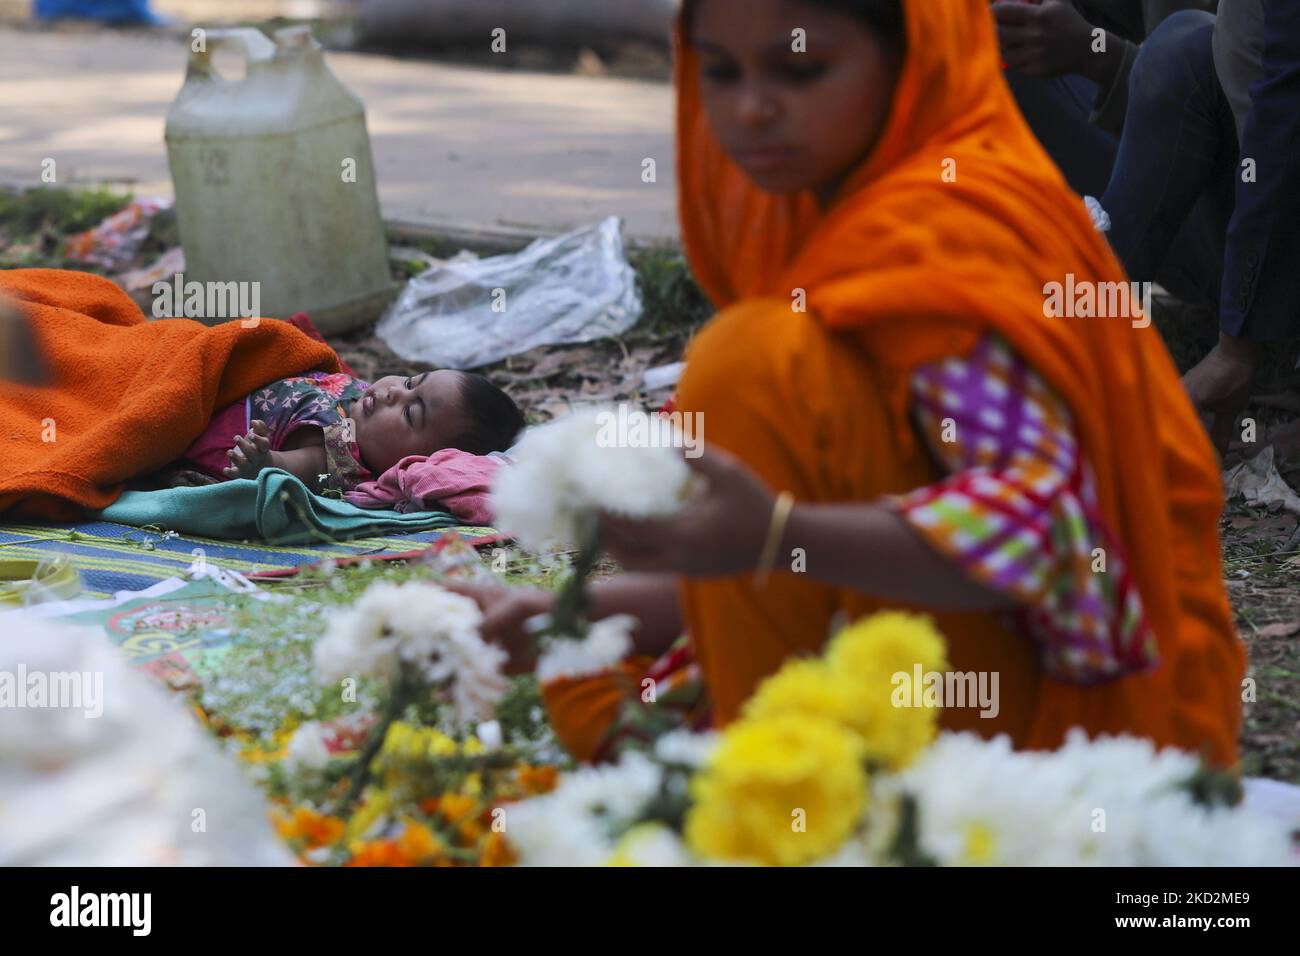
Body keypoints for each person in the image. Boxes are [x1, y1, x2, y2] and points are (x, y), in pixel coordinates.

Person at [457, 0, 1244, 768]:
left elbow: (1052, 537)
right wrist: (570, 615)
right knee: (586, 679)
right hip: (933, 662)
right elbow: (799, 565)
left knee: (745, 363)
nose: (750, 109)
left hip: (1086, 735)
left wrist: (778, 534)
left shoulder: (948, 234)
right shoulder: (843, 228)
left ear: (907, 61)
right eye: (720, 73)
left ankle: (782, 794)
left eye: (800, 69)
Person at [183, 369, 524, 495]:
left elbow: (293, 468)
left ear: (416, 461)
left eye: (409, 411)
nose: (394, 392)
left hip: (197, 415)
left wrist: (262, 461)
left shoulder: (343, 453)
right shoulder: (361, 398)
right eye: (409, 382)